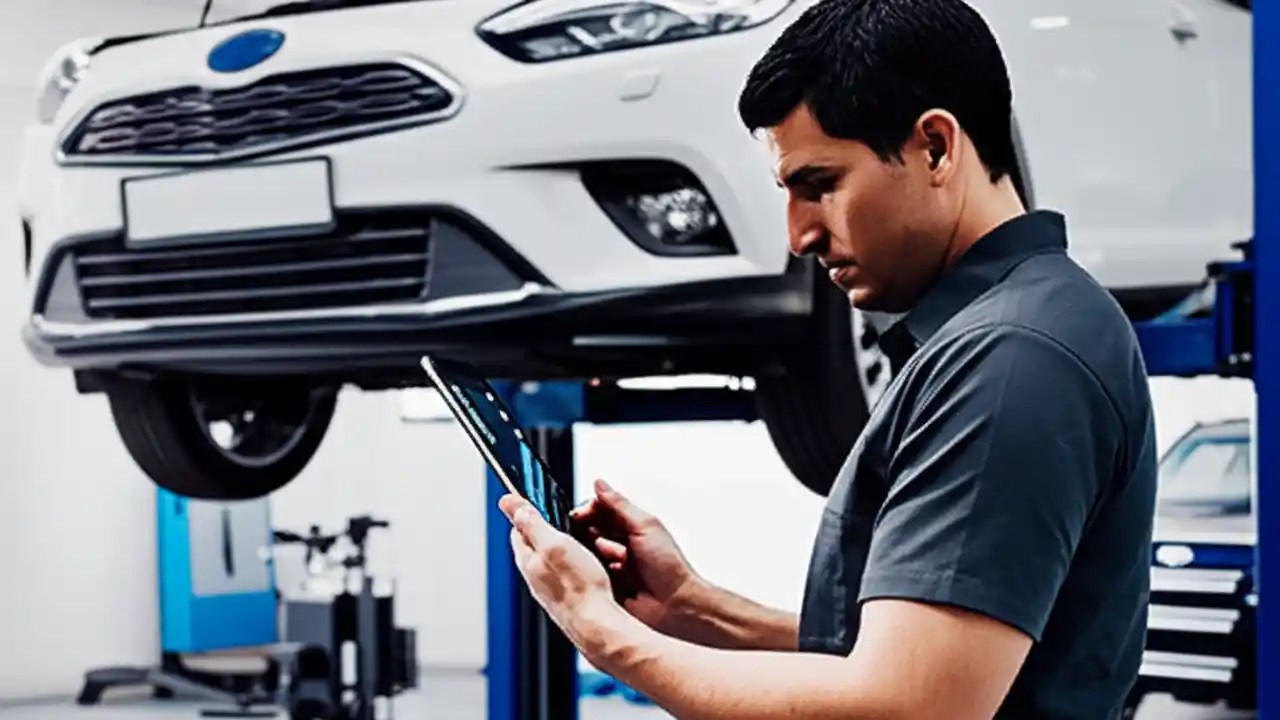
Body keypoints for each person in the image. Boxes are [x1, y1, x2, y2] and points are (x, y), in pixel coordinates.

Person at [498, 0, 1159, 717]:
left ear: (935, 147)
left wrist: (608, 639)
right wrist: (695, 611)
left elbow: (904, 708)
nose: (798, 235)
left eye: (821, 185)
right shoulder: (1019, 329)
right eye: (788, 193)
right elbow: (903, 656)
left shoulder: (1012, 362)